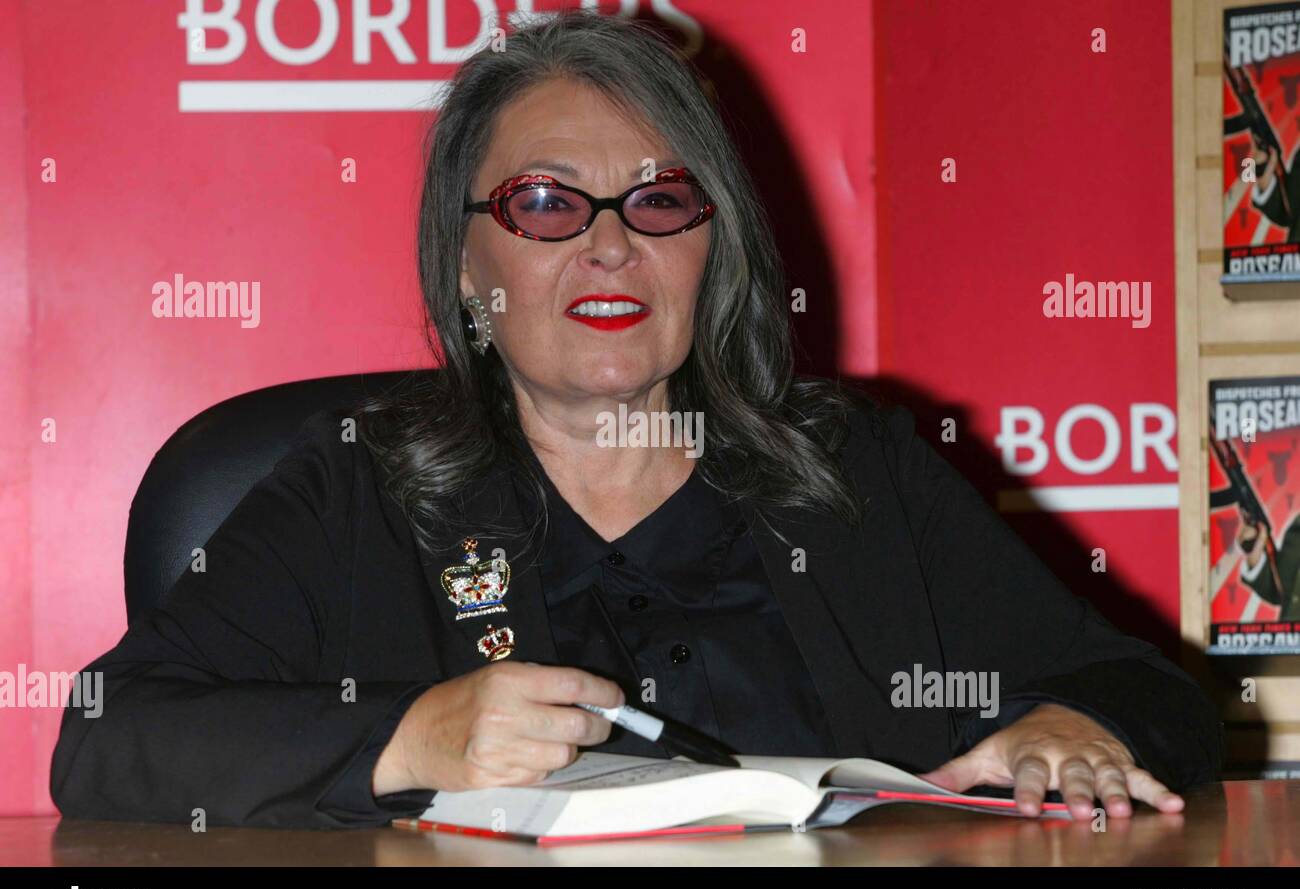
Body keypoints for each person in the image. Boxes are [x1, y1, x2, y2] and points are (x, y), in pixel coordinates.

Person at [51, 10, 1221, 830]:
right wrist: (409, 740)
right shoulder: (359, 487)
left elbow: (1141, 686)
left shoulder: (852, 470)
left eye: (660, 199)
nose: (611, 242)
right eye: (545, 202)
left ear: (714, 253)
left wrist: (1066, 725)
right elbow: (108, 735)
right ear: (467, 264)